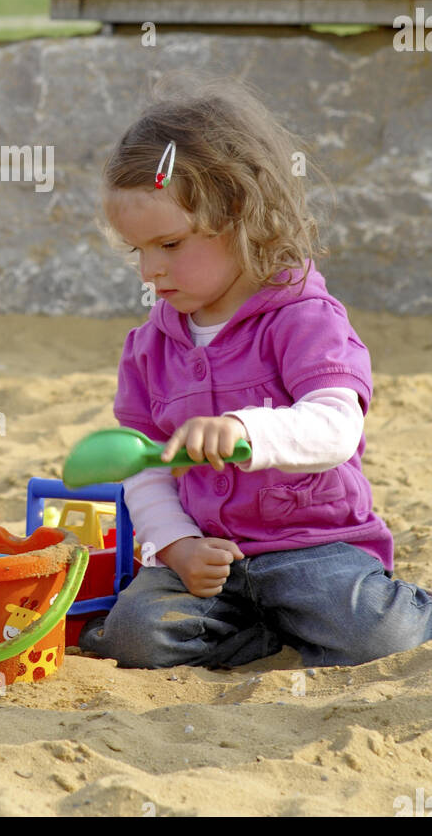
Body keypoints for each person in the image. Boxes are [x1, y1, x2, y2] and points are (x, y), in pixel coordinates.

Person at [79, 76, 432, 670]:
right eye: (135, 250)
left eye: (169, 244)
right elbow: (145, 467)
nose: (149, 270)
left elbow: (335, 428)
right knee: (137, 634)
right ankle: (272, 633)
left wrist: (247, 431)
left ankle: (305, 622)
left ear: (239, 214)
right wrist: (176, 544)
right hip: (212, 564)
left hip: (314, 548)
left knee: (376, 634)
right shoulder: (149, 346)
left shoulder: (303, 316)